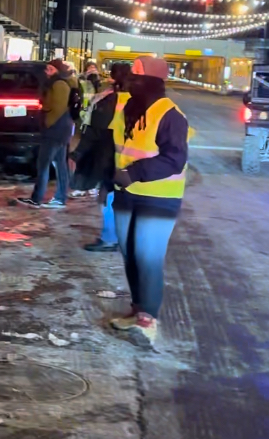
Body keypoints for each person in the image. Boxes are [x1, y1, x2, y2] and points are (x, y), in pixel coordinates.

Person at [109, 57, 189, 343]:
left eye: (138, 74)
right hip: (126, 194)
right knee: (130, 254)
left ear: (153, 79)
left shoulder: (170, 114)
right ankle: (138, 308)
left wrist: (134, 173)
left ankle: (148, 320)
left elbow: (175, 159)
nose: (132, 78)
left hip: (159, 197)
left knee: (147, 256)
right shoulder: (127, 107)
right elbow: (115, 144)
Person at [71, 62, 132, 251]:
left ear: (113, 77)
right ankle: (125, 238)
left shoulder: (107, 100)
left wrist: (76, 154)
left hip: (108, 158)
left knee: (108, 198)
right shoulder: (139, 100)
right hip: (133, 161)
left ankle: (110, 238)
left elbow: (94, 132)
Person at [24, 59, 75, 209]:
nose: (47, 72)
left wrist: (47, 123)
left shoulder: (59, 84)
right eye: (47, 69)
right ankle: (60, 198)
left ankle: (37, 198)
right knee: (60, 164)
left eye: (50, 69)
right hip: (62, 129)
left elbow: (58, 108)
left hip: (55, 130)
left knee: (44, 164)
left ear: (58, 70)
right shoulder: (61, 82)